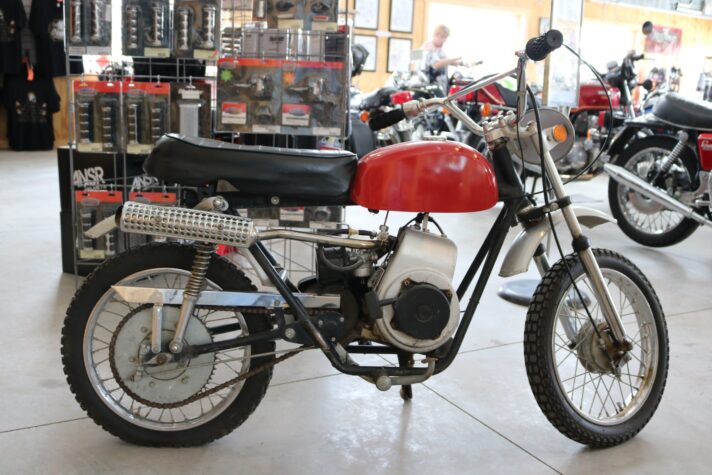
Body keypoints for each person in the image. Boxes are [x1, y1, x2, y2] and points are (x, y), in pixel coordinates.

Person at [419, 25, 462, 93]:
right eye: (443, 37)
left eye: (445, 37)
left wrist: (458, 63)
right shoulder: (428, 46)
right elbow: (435, 65)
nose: (444, 40)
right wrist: (451, 61)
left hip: (440, 87)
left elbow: (445, 60)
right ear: (436, 35)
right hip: (430, 88)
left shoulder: (439, 50)